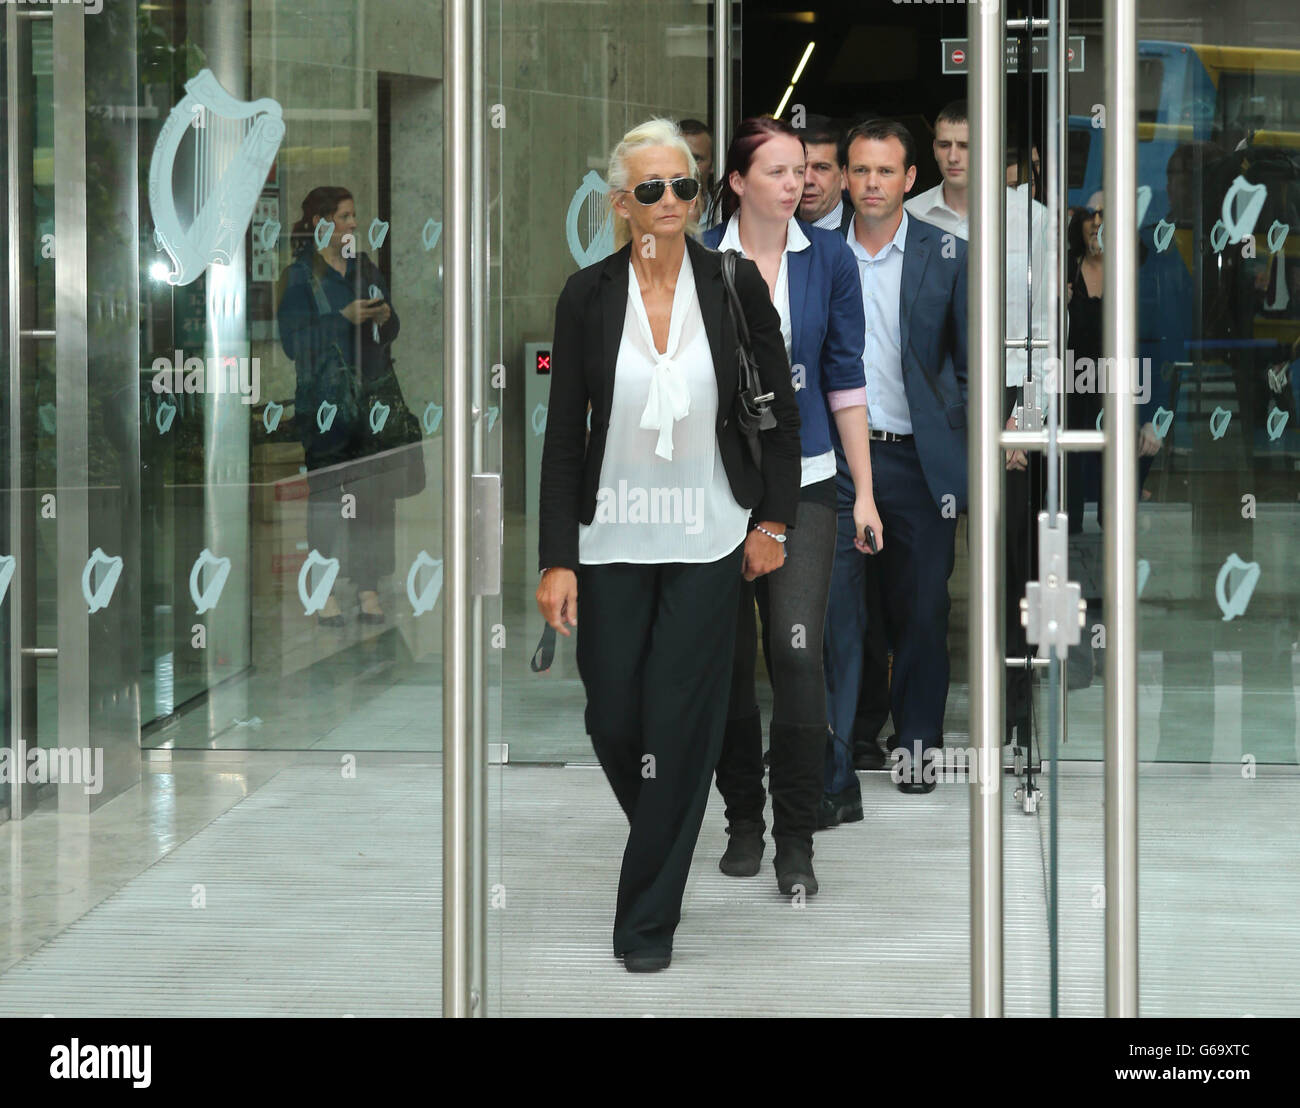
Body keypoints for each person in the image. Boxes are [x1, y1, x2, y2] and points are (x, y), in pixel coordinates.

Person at [536, 118, 801, 972]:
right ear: (620, 202)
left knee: (684, 720)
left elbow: (781, 412)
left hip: (709, 533)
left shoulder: (730, 282)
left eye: (683, 186)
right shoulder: (586, 296)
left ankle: (646, 920)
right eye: (649, 190)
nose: (668, 202)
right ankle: (669, 831)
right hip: (610, 535)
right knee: (615, 714)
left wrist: (771, 521)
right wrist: (555, 556)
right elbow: (563, 439)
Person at [701, 115, 877, 893]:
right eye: (777, 170)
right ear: (738, 182)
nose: (797, 182)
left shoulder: (829, 257)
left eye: (802, 169)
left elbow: (844, 377)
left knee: (798, 656)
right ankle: (744, 817)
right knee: (729, 661)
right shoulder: (700, 255)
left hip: (804, 482)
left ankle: (796, 838)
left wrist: (863, 488)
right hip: (713, 487)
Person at [823, 118, 968, 798]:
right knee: (841, 610)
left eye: (886, 171)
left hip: (917, 463)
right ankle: (843, 747)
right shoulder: (816, 253)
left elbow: (970, 364)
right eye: (860, 170)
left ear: (911, 180)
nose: (872, 183)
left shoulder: (948, 253)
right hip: (836, 464)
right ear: (845, 178)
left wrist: (962, 446)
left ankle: (915, 747)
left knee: (921, 609)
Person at [905, 103, 1051, 745]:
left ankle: (1013, 715)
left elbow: (1046, 330)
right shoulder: (910, 217)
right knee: (922, 579)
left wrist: (1024, 420)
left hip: (1008, 393)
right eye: (943, 144)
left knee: (1009, 566)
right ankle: (914, 723)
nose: (954, 155)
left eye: (966, 143)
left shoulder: (1032, 221)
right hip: (933, 402)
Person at [277, 186, 401, 626]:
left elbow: (391, 329)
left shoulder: (364, 267)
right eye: (345, 216)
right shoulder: (299, 277)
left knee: (371, 499)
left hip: (369, 402)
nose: (353, 224)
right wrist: (342, 318)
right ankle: (323, 590)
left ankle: (367, 586)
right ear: (320, 223)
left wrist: (385, 318)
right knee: (327, 501)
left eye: (353, 216)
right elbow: (294, 344)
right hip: (325, 408)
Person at [679, 118, 718, 230]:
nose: (687, 166)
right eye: (680, 157)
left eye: (696, 159)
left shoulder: (721, 216)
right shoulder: (652, 212)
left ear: (713, 165)